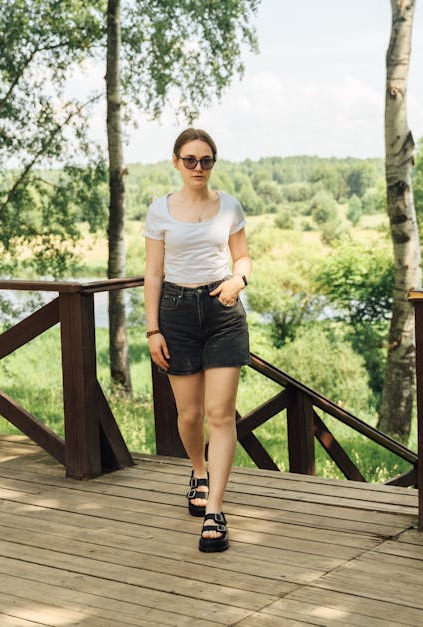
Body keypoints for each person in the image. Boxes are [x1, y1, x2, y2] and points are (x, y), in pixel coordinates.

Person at [143, 128, 251, 553]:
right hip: (176, 314)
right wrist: (153, 330)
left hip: (223, 311)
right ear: (175, 162)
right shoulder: (160, 211)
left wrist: (239, 279)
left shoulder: (230, 207)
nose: (198, 168)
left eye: (206, 160)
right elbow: (153, 273)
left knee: (220, 413)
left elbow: (241, 255)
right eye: (190, 160)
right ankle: (198, 470)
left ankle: (215, 512)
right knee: (190, 416)